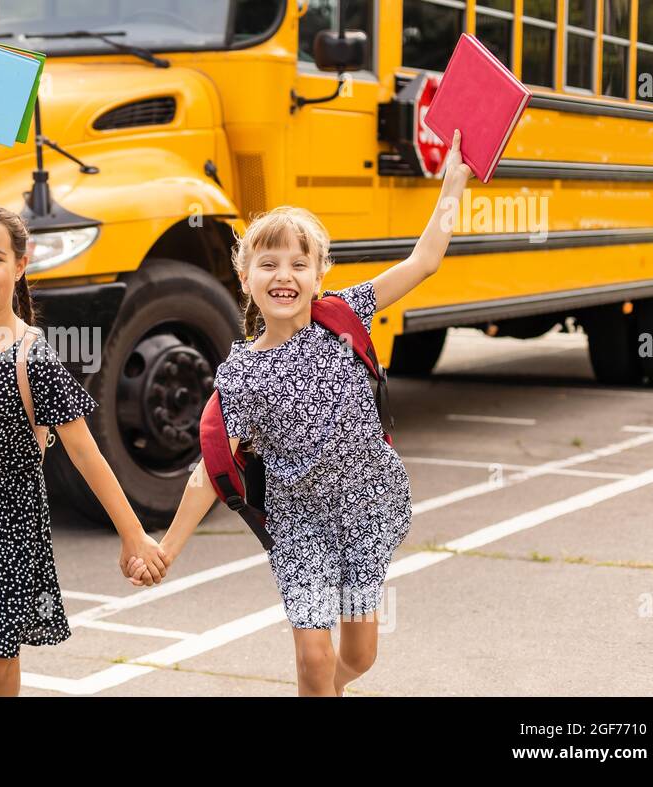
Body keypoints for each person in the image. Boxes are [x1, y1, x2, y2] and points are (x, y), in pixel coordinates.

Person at [129, 130, 473, 696]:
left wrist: (452, 184)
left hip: (368, 507)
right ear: (245, 278)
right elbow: (209, 469)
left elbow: (425, 260)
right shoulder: (240, 373)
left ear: (319, 277)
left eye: (298, 263)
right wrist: (165, 548)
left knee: (358, 657)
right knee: (314, 659)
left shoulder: (344, 315)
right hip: (300, 526)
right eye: (268, 264)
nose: (284, 275)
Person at [0, 104, 169, 697]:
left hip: (12, 521)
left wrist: (134, 534)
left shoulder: (32, 358)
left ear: (21, 265)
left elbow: (87, 455)